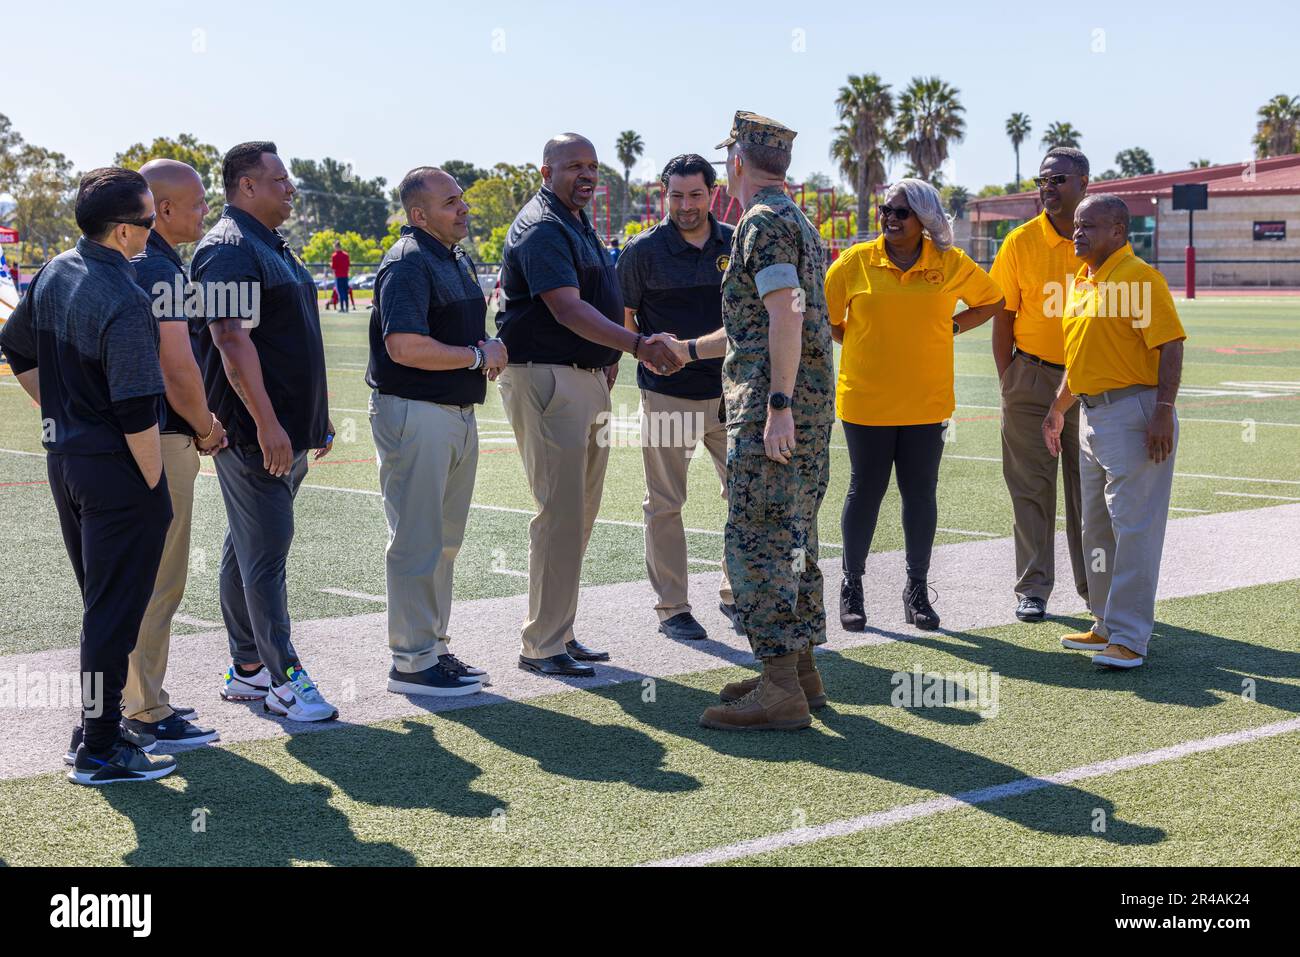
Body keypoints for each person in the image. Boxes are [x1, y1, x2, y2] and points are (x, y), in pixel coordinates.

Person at [658, 112, 835, 731]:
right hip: (806, 411)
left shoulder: (760, 222)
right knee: (795, 539)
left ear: (736, 162)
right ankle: (799, 672)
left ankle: (780, 688)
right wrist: (689, 349)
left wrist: (777, 407)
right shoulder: (796, 220)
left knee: (758, 541)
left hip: (774, 412)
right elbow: (757, 325)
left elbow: (785, 313)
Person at [0, 168, 177, 784]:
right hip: (115, 472)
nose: (155, 233)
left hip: (67, 463)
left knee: (103, 605)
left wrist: (62, 410)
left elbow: (14, 344)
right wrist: (154, 484)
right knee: (112, 613)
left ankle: (94, 728)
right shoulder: (126, 296)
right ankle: (99, 746)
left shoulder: (55, 269)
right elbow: (135, 408)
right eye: (150, 222)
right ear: (125, 230)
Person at [494, 133, 682, 677]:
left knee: (577, 512)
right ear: (545, 170)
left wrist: (611, 356)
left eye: (592, 166)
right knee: (560, 514)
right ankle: (543, 643)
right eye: (574, 165)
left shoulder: (571, 220)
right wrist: (638, 345)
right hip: (550, 379)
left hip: (581, 378)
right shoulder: (543, 226)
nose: (586, 174)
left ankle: (559, 629)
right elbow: (566, 309)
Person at [191, 141, 338, 720]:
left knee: (246, 550)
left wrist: (313, 418)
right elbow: (230, 339)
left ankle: (249, 669)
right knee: (265, 557)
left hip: (288, 431)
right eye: (279, 180)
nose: (291, 189)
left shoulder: (270, 244)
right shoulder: (226, 248)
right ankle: (283, 678)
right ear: (246, 186)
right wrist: (268, 423)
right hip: (256, 436)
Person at [825, 179, 1004, 632]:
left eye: (901, 212)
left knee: (920, 494)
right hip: (865, 401)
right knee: (864, 491)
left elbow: (992, 302)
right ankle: (852, 585)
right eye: (886, 209)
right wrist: (863, 341)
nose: (890, 218)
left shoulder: (950, 262)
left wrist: (953, 328)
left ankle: (917, 589)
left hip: (927, 402)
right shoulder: (854, 262)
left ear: (924, 218)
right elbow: (825, 318)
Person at [368, 166, 506, 696]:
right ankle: (411, 660)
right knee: (417, 539)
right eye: (451, 202)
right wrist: (477, 355)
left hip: (453, 412)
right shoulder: (406, 262)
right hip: (417, 411)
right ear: (419, 214)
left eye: (461, 199)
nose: (463, 208)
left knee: (443, 541)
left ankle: (433, 647)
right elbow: (404, 345)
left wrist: (485, 350)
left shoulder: (451, 257)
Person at [1044, 194, 1186, 670]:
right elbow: (1081, 358)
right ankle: (1104, 622)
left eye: (1089, 226)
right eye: (1077, 226)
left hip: (1134, 411)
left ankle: (1130, 638)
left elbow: (1170, 346)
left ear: (1119, 232)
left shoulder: (1140, 279)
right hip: (1090, 414)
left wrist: (1163, 410)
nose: (1077, 233)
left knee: (1135, 529)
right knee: (1096, 528)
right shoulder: (1085, 282)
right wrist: (1057, 409)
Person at [116, 158, 228, 748]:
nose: (205, 211)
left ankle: (126, 701)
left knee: (128, 576)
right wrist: (206, 425)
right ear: (160, 210)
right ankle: (144, 707)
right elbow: (177, 366)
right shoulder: (158, 269)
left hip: (115, 439)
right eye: (198, 202)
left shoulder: (117, 262)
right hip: (161, 436)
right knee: (160, 577)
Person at [618, 153, 736, 641]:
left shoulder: (737, 241)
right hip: (668, 397)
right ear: (663, 195)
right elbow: (623, 320)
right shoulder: (643, 250)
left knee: (746, 498)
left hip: (734, 394)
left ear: (713, 193)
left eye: (695, 195)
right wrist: (642, 354)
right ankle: (673, 608)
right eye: (676, 195)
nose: (685, 206)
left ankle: (739, 593)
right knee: (665, 502)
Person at [991, 147, 1091, 623]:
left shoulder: (1102, 237)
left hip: (1090, 379)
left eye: (1059, 180)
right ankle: (1033, 588)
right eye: (1042, 180)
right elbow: (1002, 315)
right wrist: (1009, 377)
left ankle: (1095, 588)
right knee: (1030, 487)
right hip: (1031, 376)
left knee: (1087, 489)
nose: (1047, 188)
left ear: (1084, 183)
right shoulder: (1019, 242)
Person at [331, 239, 351, 312]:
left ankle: (342, 308)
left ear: (336, 247)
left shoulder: (334, 256)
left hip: (338, 276)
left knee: (341, 292)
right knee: (345, 292)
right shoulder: (346, 255)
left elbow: (333, 267)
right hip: (345, 276)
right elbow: (348, 265)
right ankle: (347, 307)